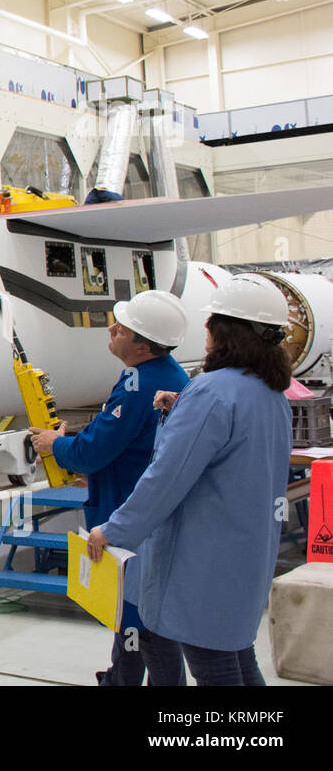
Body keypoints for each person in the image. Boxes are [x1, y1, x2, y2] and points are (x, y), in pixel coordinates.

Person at [88, 273, 293, 686]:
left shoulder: (211, 392)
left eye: (212, 321)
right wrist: (180, 409)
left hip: (204, 561)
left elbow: (164, 479)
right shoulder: (269, 394)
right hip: (246, 555)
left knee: (214, 667)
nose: (205, 329)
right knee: (237, 655)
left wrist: (114, 530)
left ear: (226, 332)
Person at [28, 290, 190, 685]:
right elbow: (123, 439)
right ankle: (120, 680)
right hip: (149, 513)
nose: (113, 328)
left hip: (130, 514)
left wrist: (56, 445)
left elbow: (95, 451)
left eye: (124, 327)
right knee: (130, 612)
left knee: (142, 619)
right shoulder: (171, 374)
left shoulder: (139, 384)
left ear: (142, 344)